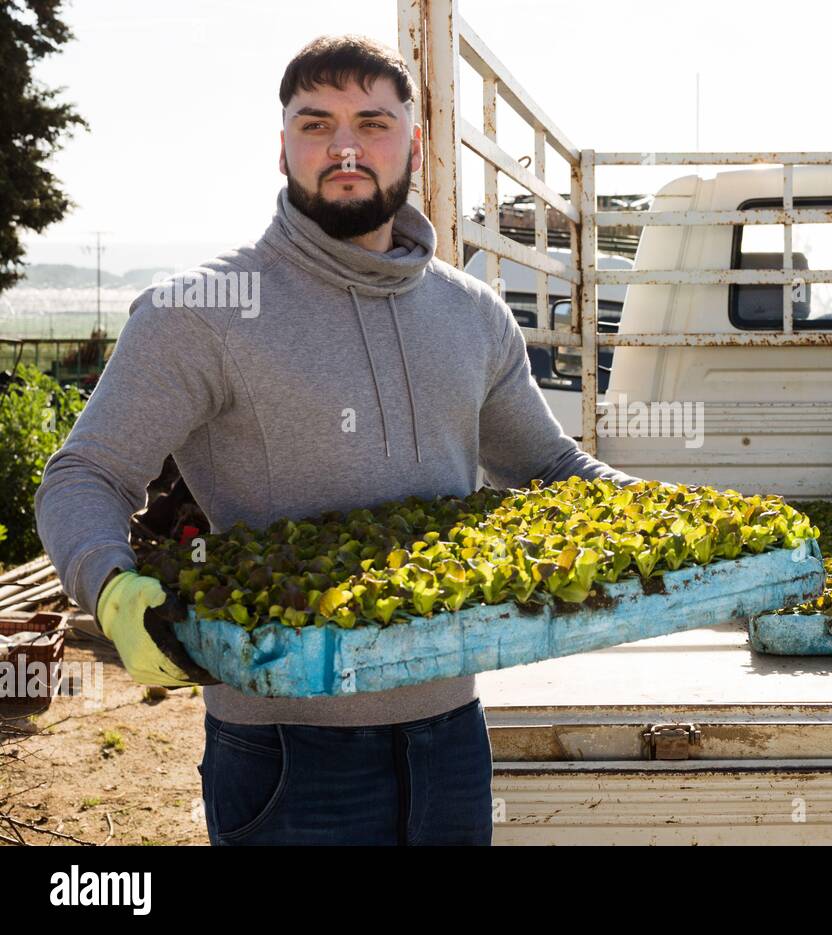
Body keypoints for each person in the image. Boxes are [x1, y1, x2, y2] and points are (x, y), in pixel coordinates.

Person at [34, 33, 649, 846]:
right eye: (316, 123)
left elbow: (548, 466)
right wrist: (110, 587)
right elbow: (87, 474)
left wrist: (682, 517)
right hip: (287, 749)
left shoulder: (472, 315)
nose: (346, 146)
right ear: (282, 145)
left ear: (415, 144)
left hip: (451, 735)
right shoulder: (203, 312)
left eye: (373, 122)